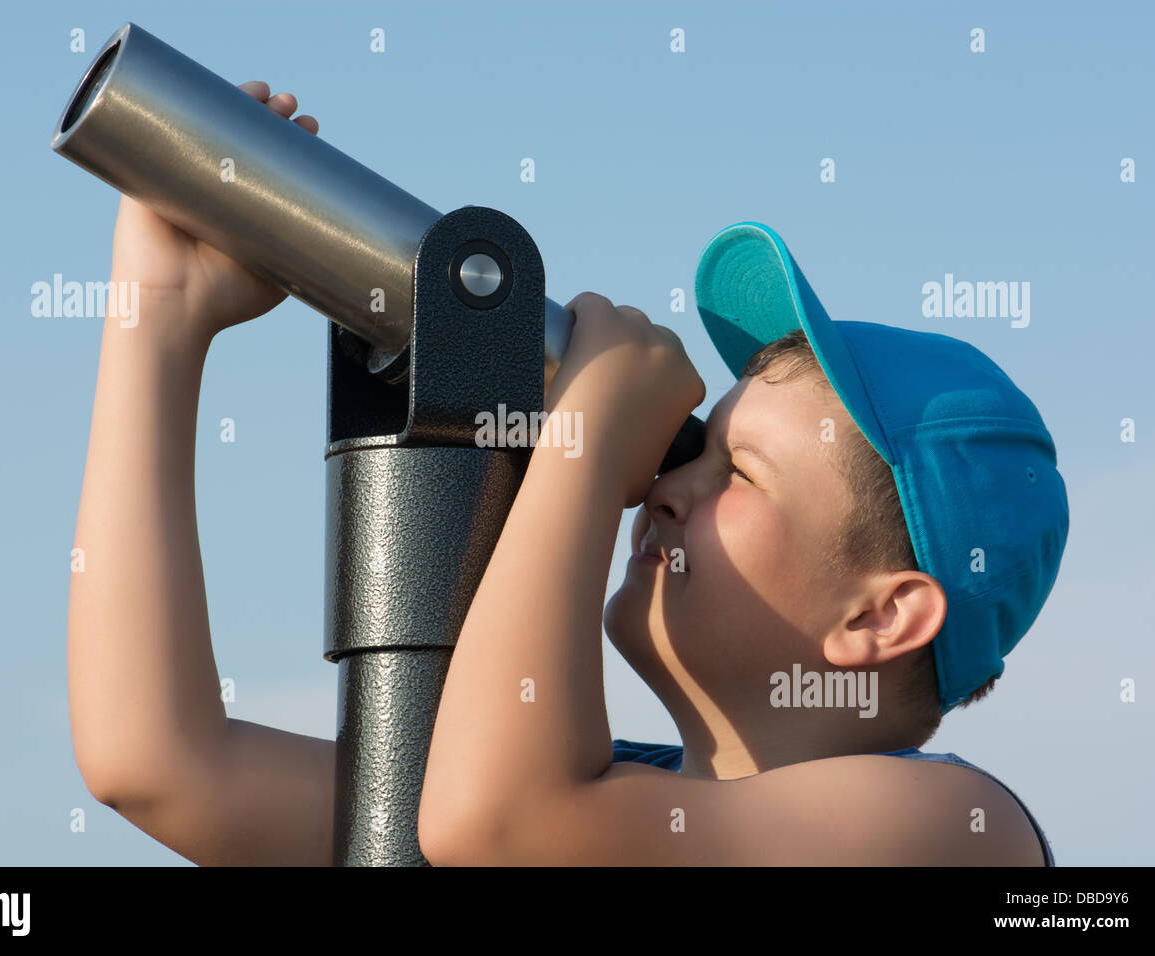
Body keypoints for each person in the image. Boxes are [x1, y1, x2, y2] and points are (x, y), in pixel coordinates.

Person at [68, 84, 1067, 866]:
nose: (669, 483)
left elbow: (494, 822)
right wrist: (155, 320)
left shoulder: (951, 824)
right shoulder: (595, 792)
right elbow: (159, 761)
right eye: (694, 445)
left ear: (879, 618)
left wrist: (582, 439)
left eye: (740, 472)